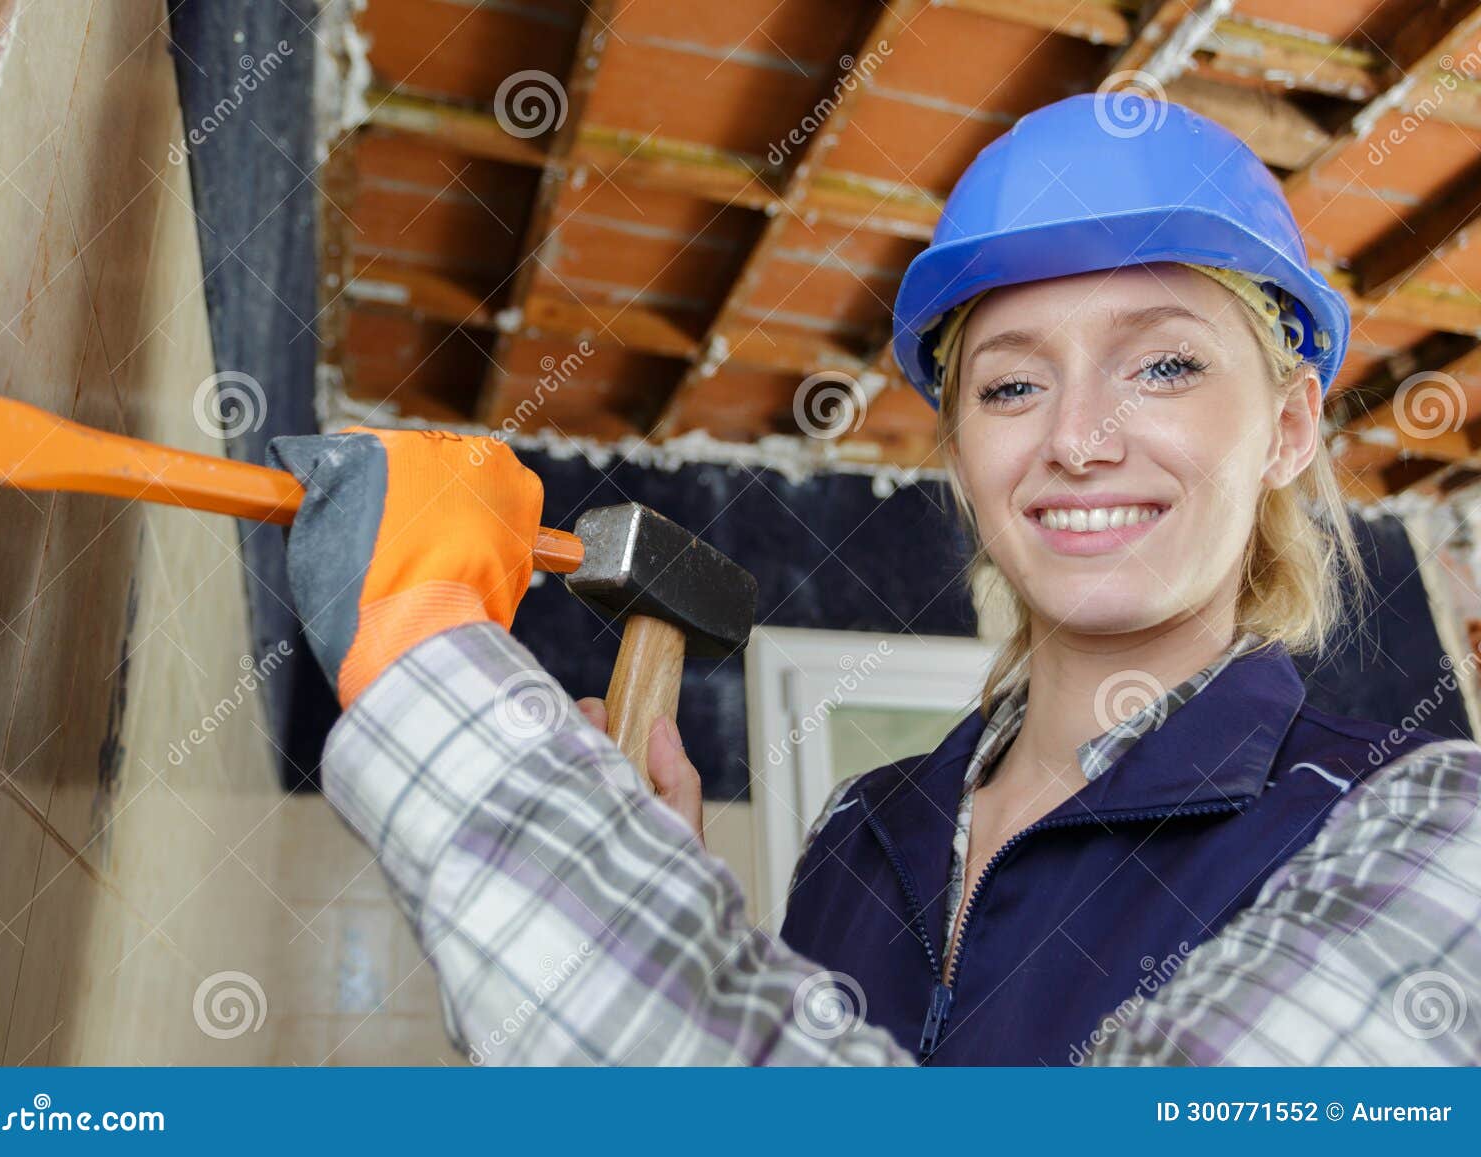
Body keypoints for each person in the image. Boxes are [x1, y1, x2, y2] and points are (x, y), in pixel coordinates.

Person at [267, 95, 1481, 1066]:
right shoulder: (860, 829)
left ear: (1285, 424)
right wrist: (646, 902)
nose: (1077, 439)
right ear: (957, 453)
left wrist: (433, 660)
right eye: (1010, 385)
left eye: (1162, 365)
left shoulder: (1425, 822)